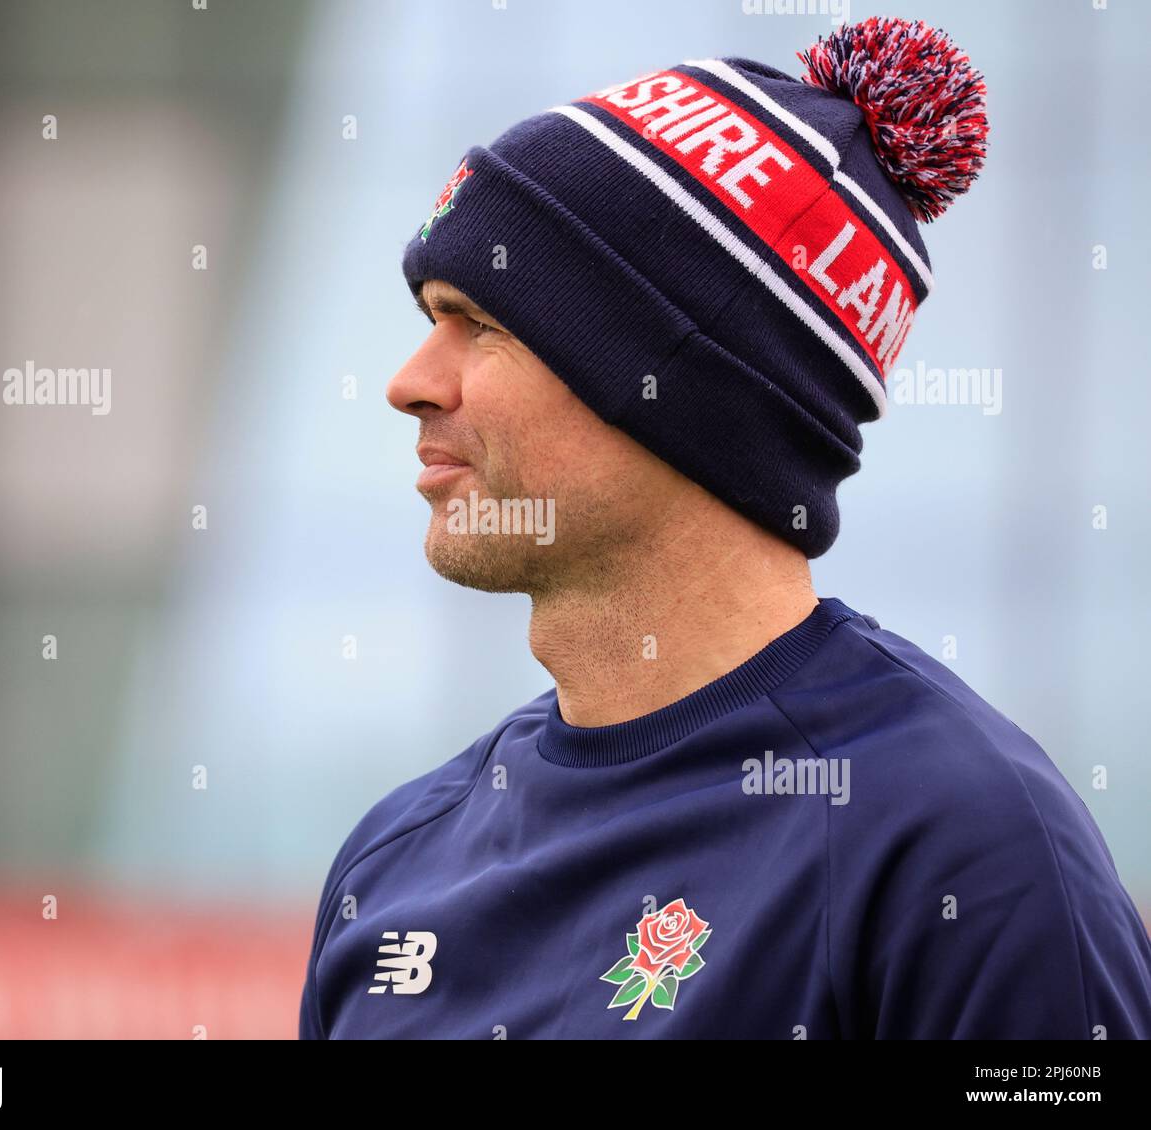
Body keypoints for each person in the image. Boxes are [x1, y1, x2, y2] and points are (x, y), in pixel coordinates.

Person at [299, 17, 1151, 1039]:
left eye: (482, 323)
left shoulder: (955, 846)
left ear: (678, 396)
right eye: (426, 315)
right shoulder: (394, 859)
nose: (409, 383)